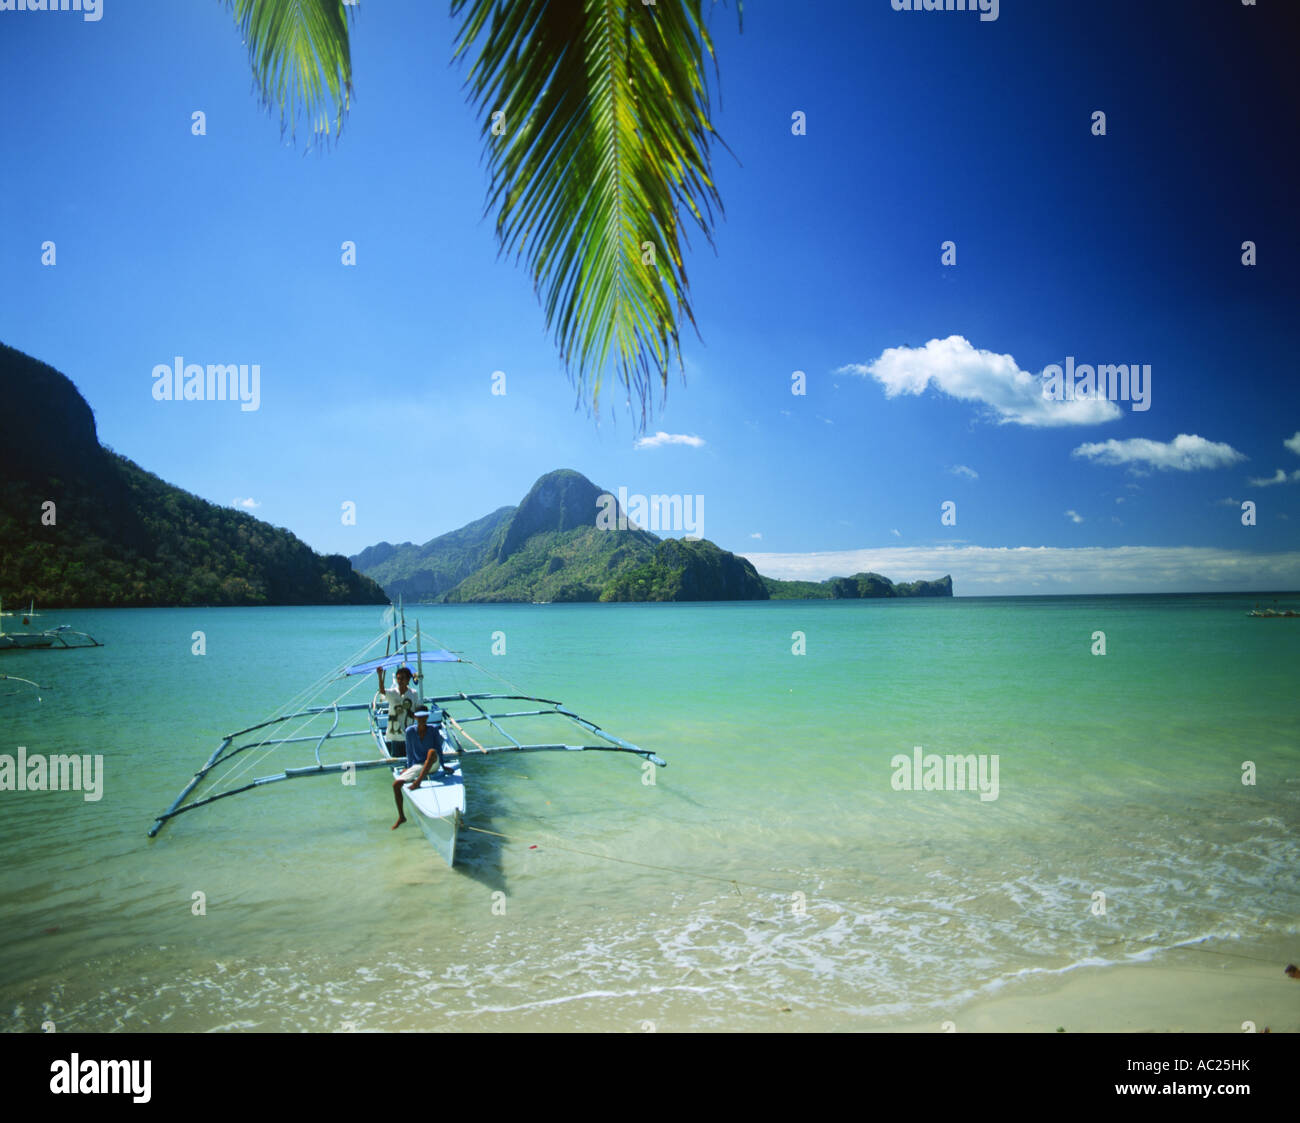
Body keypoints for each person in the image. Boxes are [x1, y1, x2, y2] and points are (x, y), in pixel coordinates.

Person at [391, 707, 448, 830]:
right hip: (419, 766)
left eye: (424, 717)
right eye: (419, 717)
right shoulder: (410, 731)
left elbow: (439, 749)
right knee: (396, 784)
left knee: (432, 751)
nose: (421, 719)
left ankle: (418, 782)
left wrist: (443, 766)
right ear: (415, 717)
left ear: (427, 717)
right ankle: (401, 817)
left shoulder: (433, 729)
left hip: (433, 763)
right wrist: (408, 768)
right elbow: (409, 752)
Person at [376, 664, 419, 757]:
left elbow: (417, 712)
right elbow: (382, 691)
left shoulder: (413, 694)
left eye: (403, 678)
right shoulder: (393, 693)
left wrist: (409, 712)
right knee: (397, 757)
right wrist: (380, 676)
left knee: (410, 757)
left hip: (408, 733)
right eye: (398, 678)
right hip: (395, 733)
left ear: (408, 680)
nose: (400, 681)